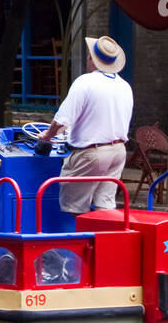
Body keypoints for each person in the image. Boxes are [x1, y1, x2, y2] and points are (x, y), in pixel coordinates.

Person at [35, 36, 134, 215]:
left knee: (75, 205)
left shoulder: (85, 82)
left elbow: (62, 119)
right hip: (118, 151)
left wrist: (47, 136)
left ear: (91, 59)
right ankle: (105, 241)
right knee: (105, 205)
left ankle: (79, 239)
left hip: (92, 152)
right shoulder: (125, 86)